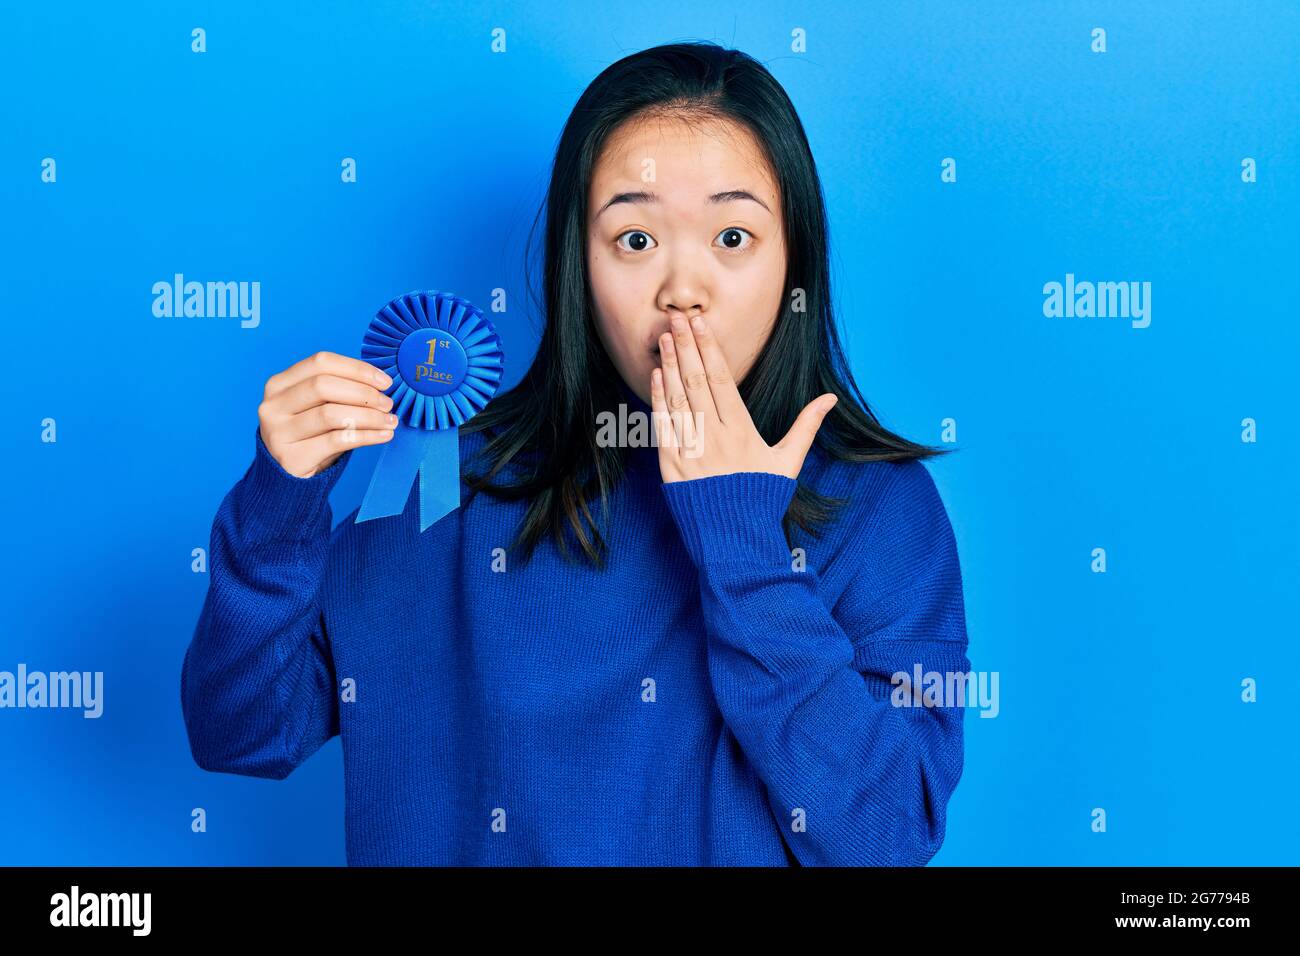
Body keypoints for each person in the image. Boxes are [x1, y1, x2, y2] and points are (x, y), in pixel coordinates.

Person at [181, 41, 971, 866]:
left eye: (733, 236)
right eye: (634, 239)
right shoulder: (442, 474)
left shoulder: (879, 508)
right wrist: (278, 509)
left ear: (794, 261)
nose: (682, 288)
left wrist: (744, 546)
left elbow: (885, 835)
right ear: (575, 264)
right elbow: (243, 732)